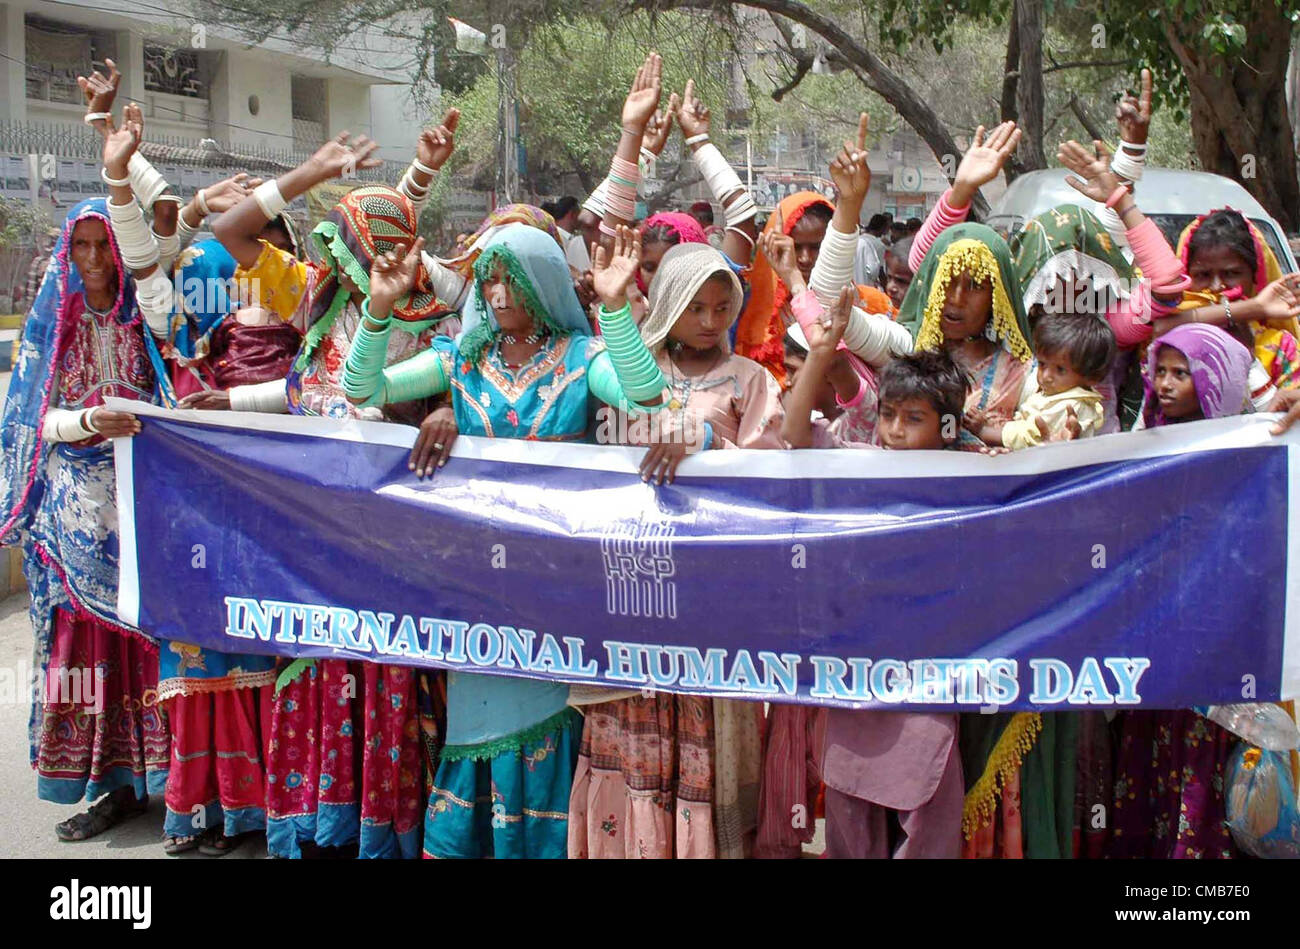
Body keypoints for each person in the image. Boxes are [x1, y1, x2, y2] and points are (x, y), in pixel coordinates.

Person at [568, 236, 779, 859]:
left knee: (702, 719)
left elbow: (774, 467)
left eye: (722, 307)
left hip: (712, 590)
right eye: (696, 307)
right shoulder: (629, 370)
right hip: (631, 582)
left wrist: (709, 449)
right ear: (665, 305)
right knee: (629, 710)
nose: (711, 322)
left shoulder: (750, 378)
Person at [0, 173, 165, 840]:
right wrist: (88, 421)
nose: (94, 259)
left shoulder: (143, 317)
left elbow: (177, 392)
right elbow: (29, 419)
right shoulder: (54, 325)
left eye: (104, 245)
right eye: (83, 247)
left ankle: (169, 778)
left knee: (150, 647)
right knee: (87, 656)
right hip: (73, 523)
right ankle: (111, 785)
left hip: (143, 511)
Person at [1110, 323, 1254, 858]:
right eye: (1160, 372)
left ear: (1219, 380)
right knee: (1151, 751)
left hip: (1214, 639)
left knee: (1201, 760)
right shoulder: (1143, 441)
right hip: (1156, 634)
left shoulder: (1246, 450)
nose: (1166, 384)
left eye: (1182, 373)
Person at [968, 312, 1112, 448]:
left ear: (1091, 377)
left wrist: (984, 432)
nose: (1046, 376)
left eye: (1060, 370)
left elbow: (1030, 437)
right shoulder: (1055, 394)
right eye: (1042, 364)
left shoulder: (1071, 406)